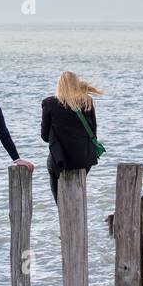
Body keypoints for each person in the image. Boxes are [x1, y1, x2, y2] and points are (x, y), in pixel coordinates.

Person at [41, 70, 103, 202]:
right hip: (84, 159)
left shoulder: (49, 103)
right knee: (76, 189)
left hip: (61, 160)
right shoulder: (87, 101)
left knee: (52, 170)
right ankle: (76, 206)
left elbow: (45, 137)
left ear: (59, 85)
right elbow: (93, 132)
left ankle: (61, 206)